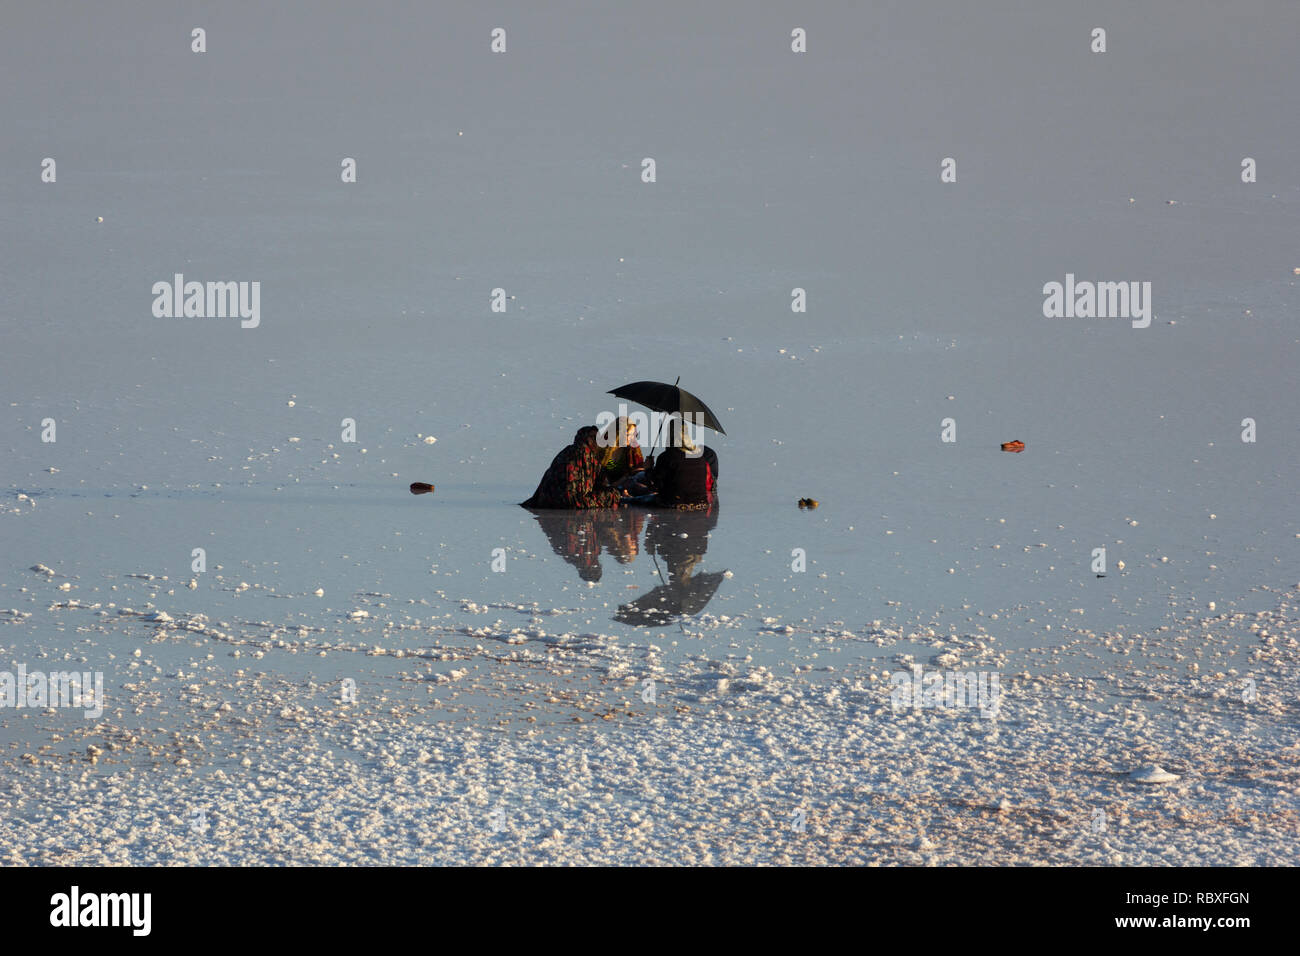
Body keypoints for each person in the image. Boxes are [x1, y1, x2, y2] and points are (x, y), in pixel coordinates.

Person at [521, 426, 624, 509]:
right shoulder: (588, 455)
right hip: (571, 503)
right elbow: (580, 498)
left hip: (546, 501)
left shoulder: (565, 451)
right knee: (613, 494)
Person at [649, 417, 718, 508]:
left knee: (633, 500)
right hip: (701, 505)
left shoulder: (667, 457)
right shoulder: (700, 457)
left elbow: (655, 485)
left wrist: (648, 468)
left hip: (673, 505)